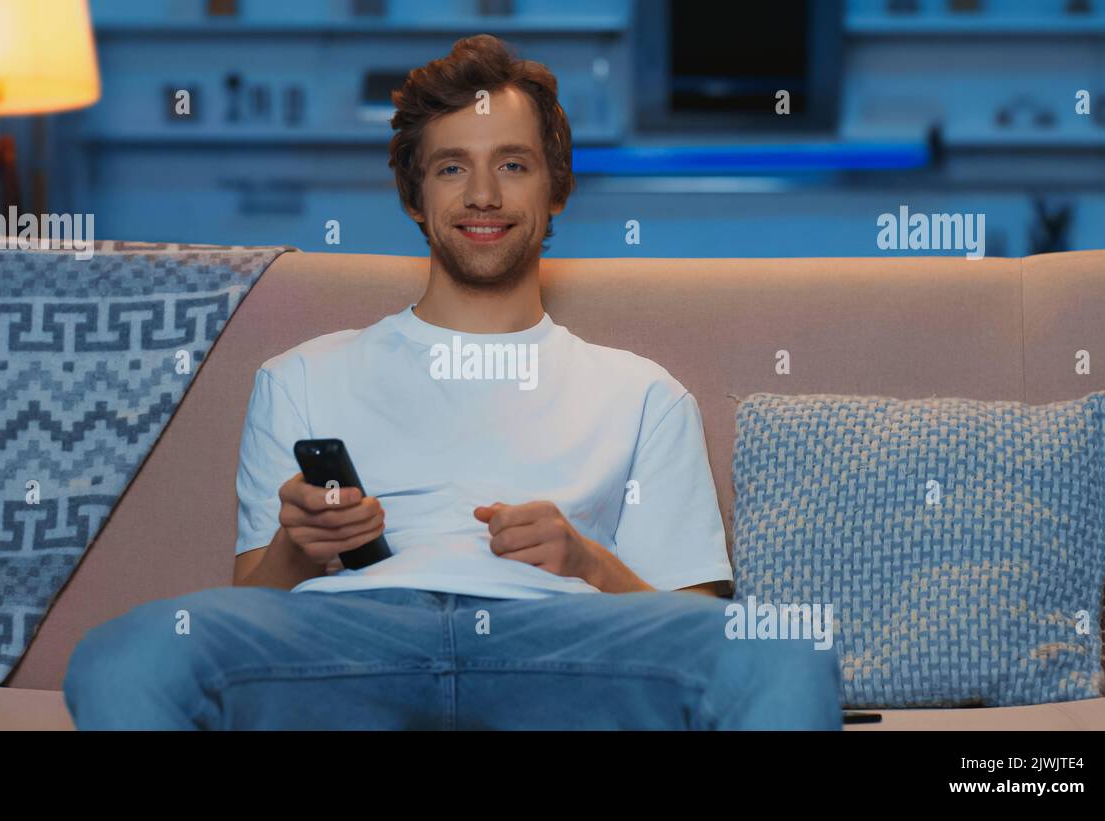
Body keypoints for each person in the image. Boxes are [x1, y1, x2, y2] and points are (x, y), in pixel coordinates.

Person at [63, 34, 841, 730]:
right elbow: (249, 602)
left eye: (512, 164)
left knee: (782, 652)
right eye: (451, 168)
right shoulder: (300, 375)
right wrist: (299, 549)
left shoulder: (643, 393)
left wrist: (583, 559)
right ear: (414, 197)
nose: (483, 196)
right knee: (124, 656)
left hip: (560, 648)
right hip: (350, 642)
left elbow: (699, 629)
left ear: (555, 188)